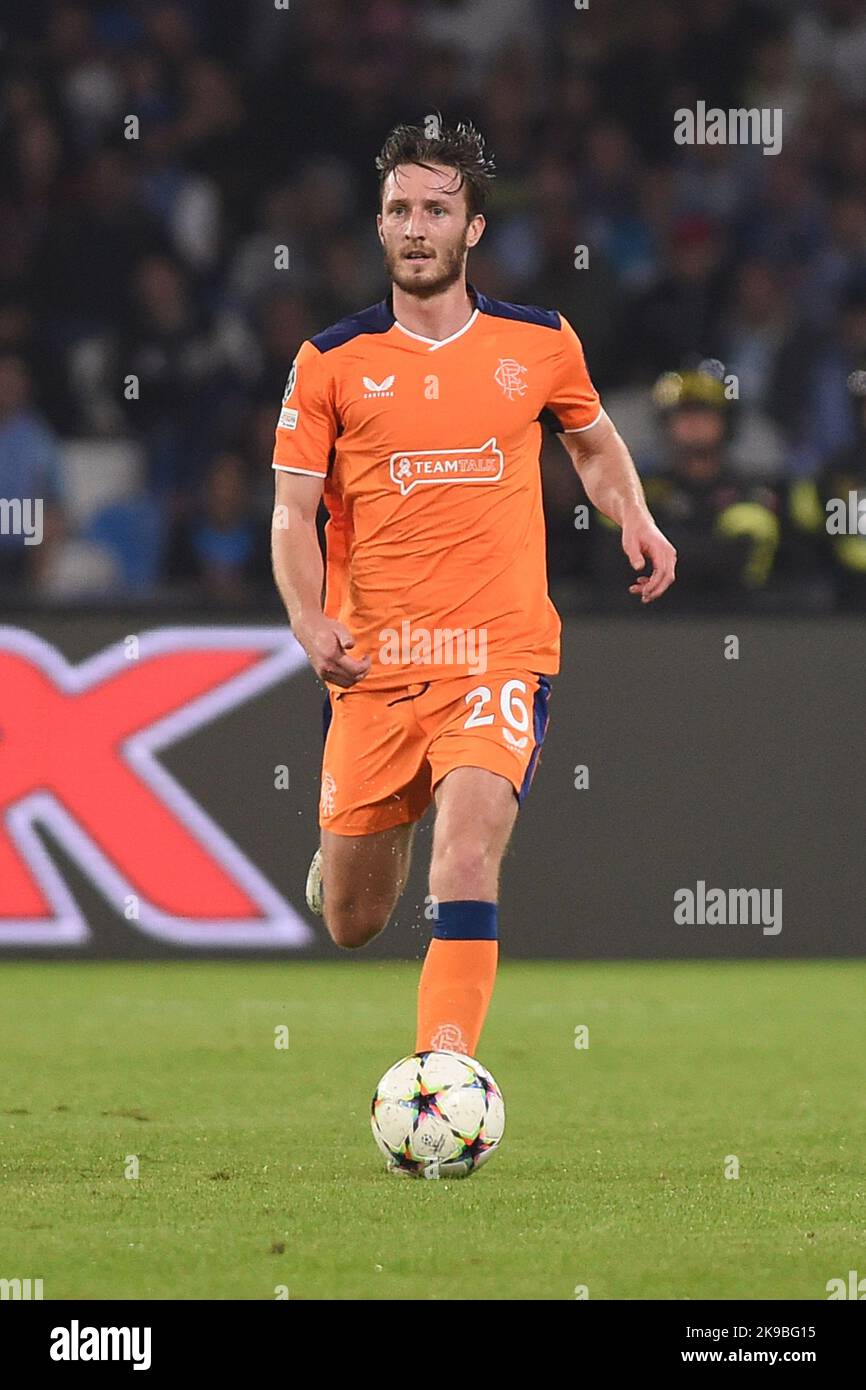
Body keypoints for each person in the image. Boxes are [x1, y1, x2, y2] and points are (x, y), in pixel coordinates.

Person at [269, 119, 676, 1111]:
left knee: (464, 850)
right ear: (378, 225)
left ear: (473, 228)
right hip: (372, 664)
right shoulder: (328, 362)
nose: (416, 227)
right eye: (400, 209)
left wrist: (632, 511)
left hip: (497, 651)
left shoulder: (537, 343)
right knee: (355, 919)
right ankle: (357, 843)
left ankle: (439, 1077)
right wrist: (306, 617)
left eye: (435, 210)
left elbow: (589, 438)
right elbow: (289, 509)